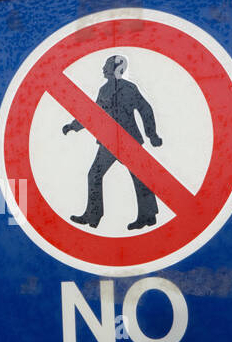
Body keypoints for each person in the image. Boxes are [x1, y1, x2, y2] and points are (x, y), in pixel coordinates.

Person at [62, 54, 163, 230]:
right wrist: (73, 126)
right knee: (94, 174)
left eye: (107, 64)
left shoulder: (130, 88)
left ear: (117, 68)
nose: (103, 68)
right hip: (109, 142)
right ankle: (93, 216)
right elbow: (92, 113)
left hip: (129, 141)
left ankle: (148, 216)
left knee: (140, 178)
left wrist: (152, 135)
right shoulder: (104, 90)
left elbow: (145, 109)